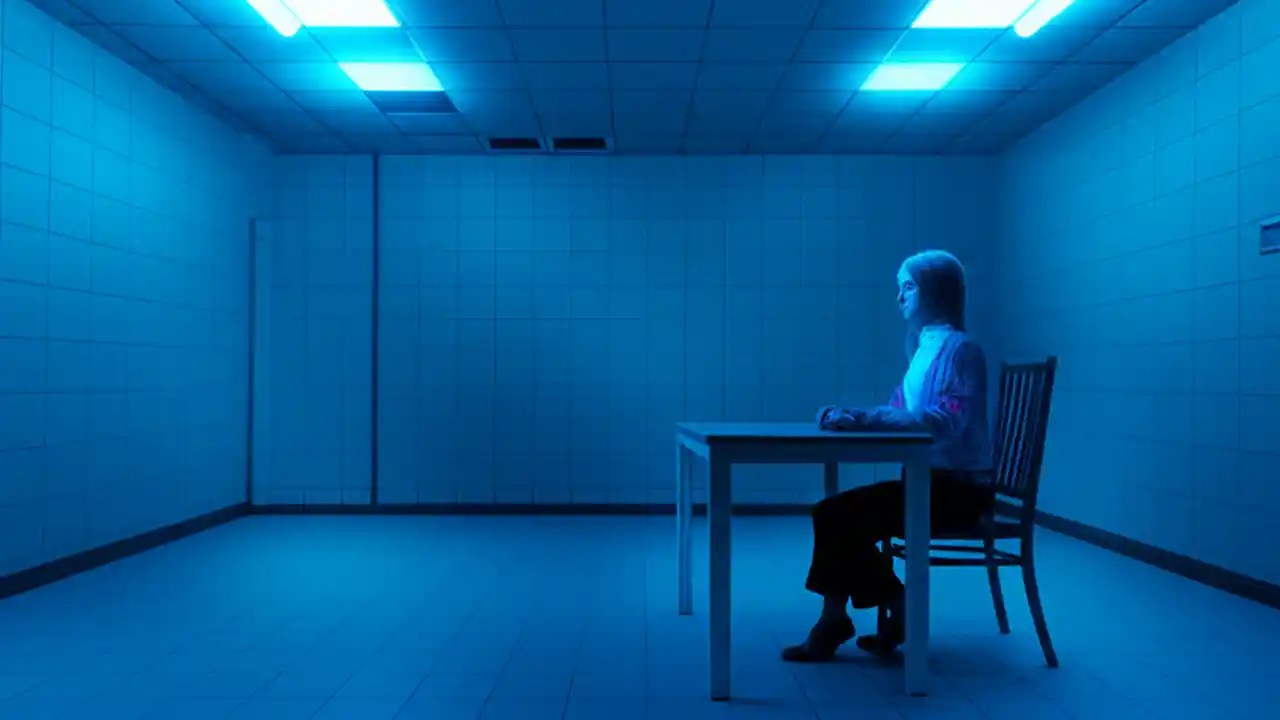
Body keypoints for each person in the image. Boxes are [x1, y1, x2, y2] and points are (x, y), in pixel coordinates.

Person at [781, 249, 995, 662]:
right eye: (899, 288)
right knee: (834, 512)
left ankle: (870, 610)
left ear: (937, 289)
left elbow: (944, 420)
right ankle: (862, 612)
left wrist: (865, 417)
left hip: (960, 493)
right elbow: (899, 412)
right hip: (927, 485)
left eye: (909, 286)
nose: (899, 297)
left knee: (834, 514)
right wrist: (852, 416)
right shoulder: (923, 351)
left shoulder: (962, 349)